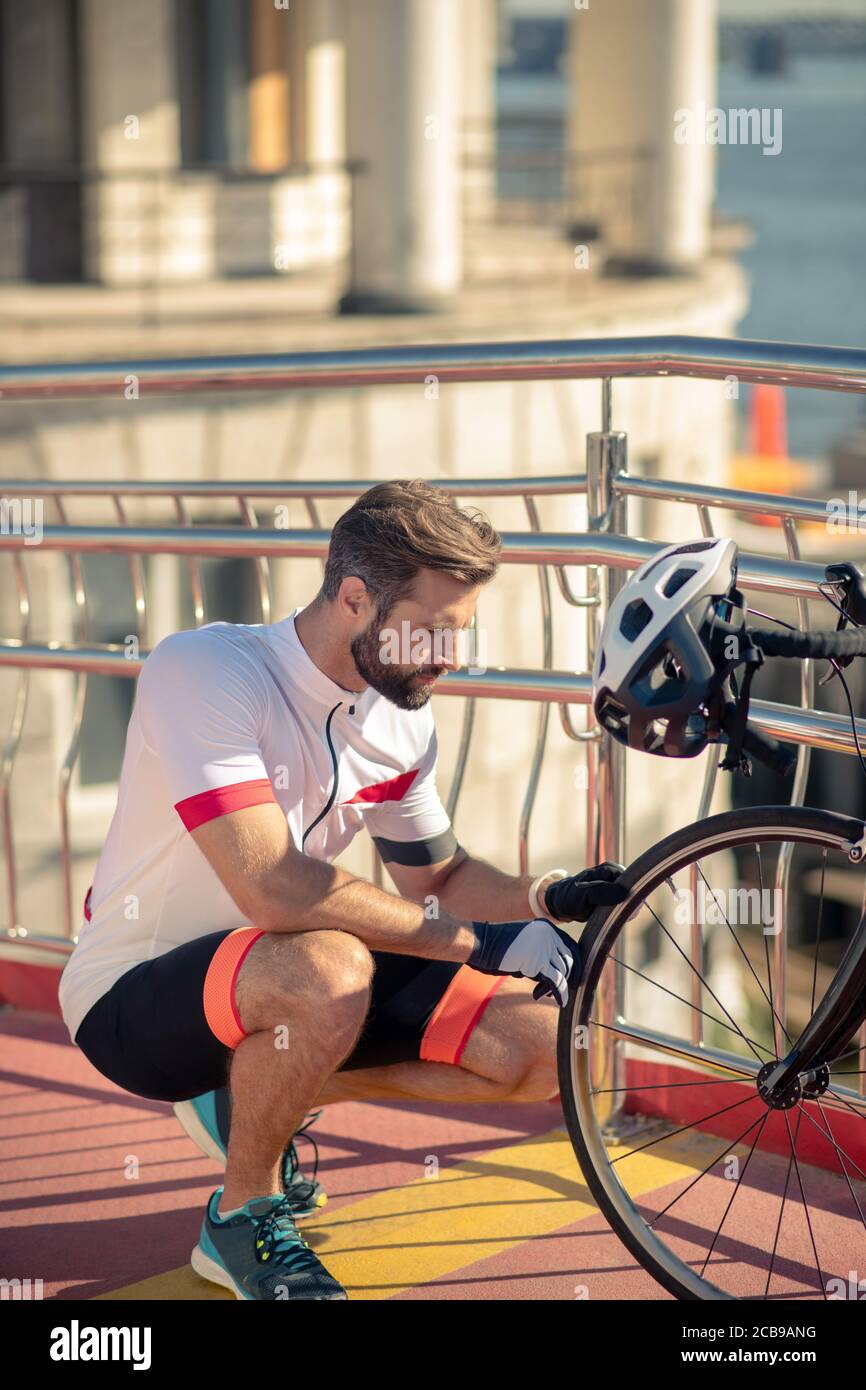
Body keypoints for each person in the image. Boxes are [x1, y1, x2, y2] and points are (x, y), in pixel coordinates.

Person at [59, 479, 626, 1301]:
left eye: (461, 632)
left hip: (285, 980)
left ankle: (248, 1094)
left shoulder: (400, 719)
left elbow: (439, 878)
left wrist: (549, 898)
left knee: (542, 1042)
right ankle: (240, 1217)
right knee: (328, 966)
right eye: (432, 630)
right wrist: (479, 943)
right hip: (134, 998)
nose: (450, 655)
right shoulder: (209, 669)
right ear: (355, 599)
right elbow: (273, 889)